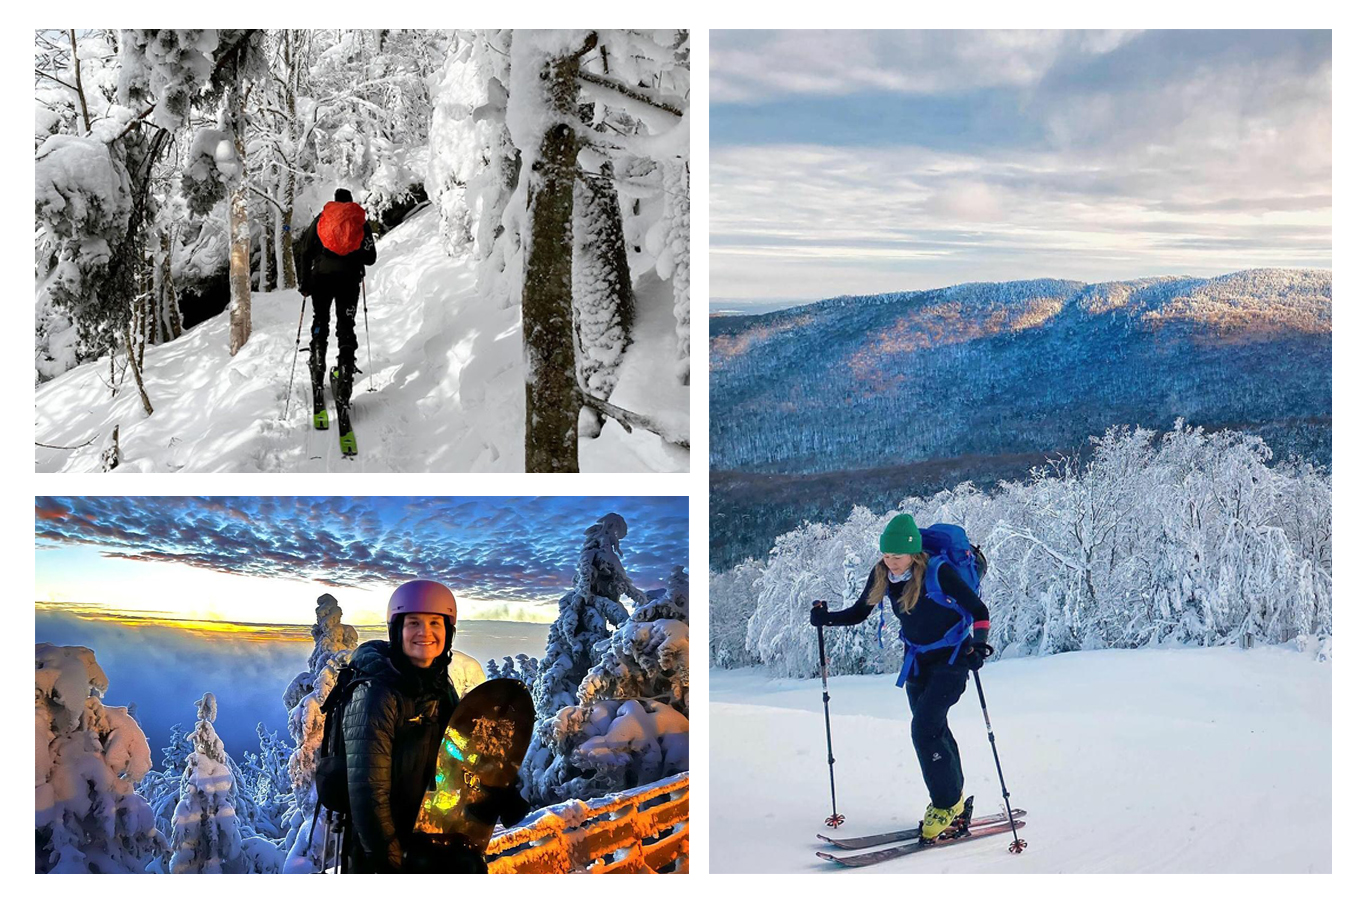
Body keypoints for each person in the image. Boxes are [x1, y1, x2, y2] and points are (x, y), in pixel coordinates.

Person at [810, 514, 992, 841]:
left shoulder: (939, 572)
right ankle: (956, 800)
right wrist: (826, 619)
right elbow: (859, 612)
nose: (890, 562)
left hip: (952, 659)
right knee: (934, 729)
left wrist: (979, 646)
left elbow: (979, 611)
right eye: (886, 554)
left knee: (924, 729)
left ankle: (945, 804)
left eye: (897, 555)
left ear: (914, 552)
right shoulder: (882, 573)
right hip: (918, 663)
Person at [293, 188, 377, 430]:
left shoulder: (321, 219)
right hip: (349, 281)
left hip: (321, 278)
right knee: (345, 327)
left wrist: (304, 283)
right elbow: (370, 257)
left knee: (321, 319)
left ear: (334, 201)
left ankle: (318, 366)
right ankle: (345, 380)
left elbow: (305, 251)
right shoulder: (360, 222)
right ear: (350, 203)